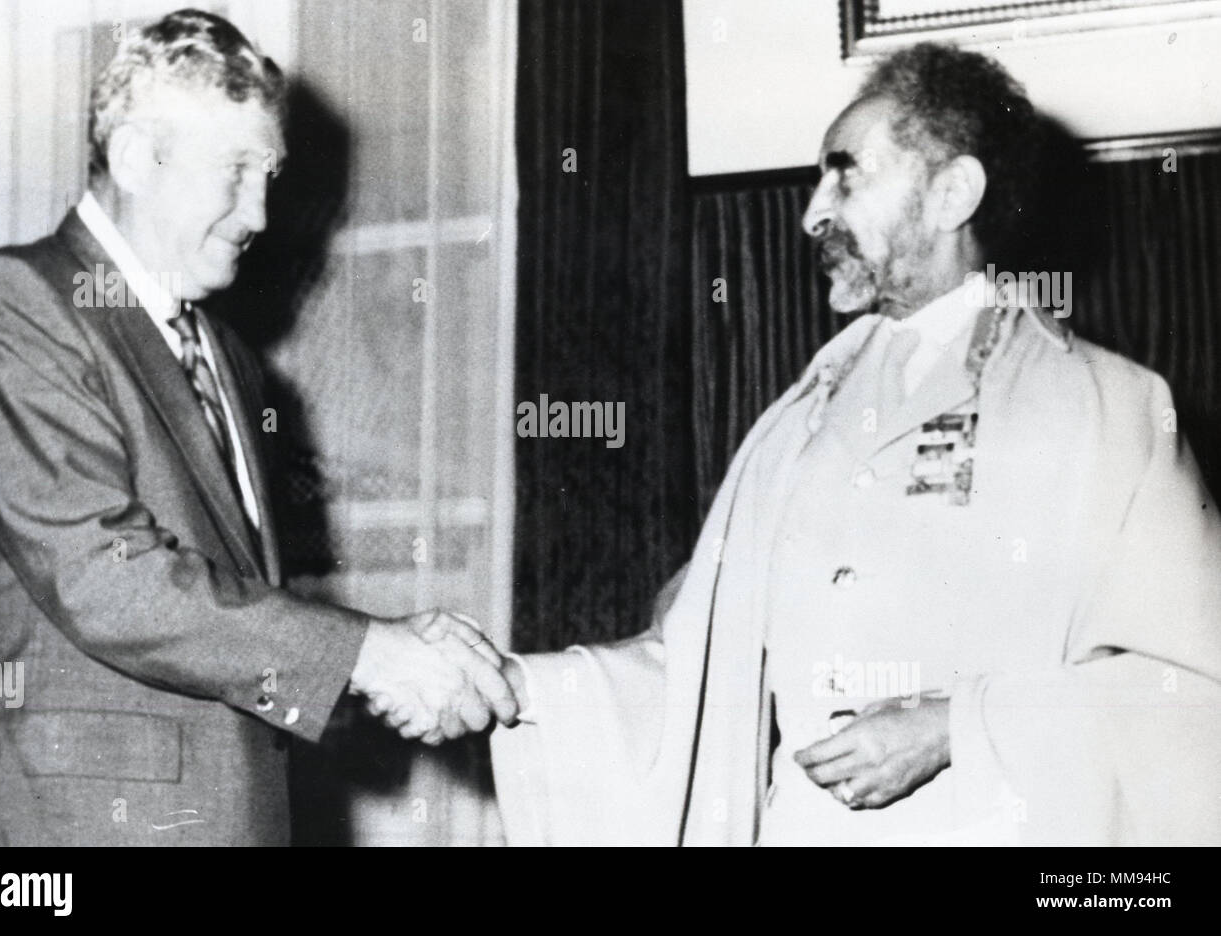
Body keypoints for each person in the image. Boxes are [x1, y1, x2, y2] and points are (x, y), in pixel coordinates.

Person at [489, 42, 1221, 845]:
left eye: (846, 173)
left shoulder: (1107, 411)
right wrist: (521, 688)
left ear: (952, 193)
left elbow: (1193, 697)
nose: (812, 212)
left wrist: (958, 727)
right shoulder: (797, 422)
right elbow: (698, 668)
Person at [0, 8, 515, 846]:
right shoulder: (15, 305)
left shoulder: (225, 358)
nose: (260, 214)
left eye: (268, 175)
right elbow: (107, 578)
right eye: (235, 170)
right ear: (133, 157)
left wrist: (386, 652)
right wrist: (367, 654)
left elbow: (227, 613)